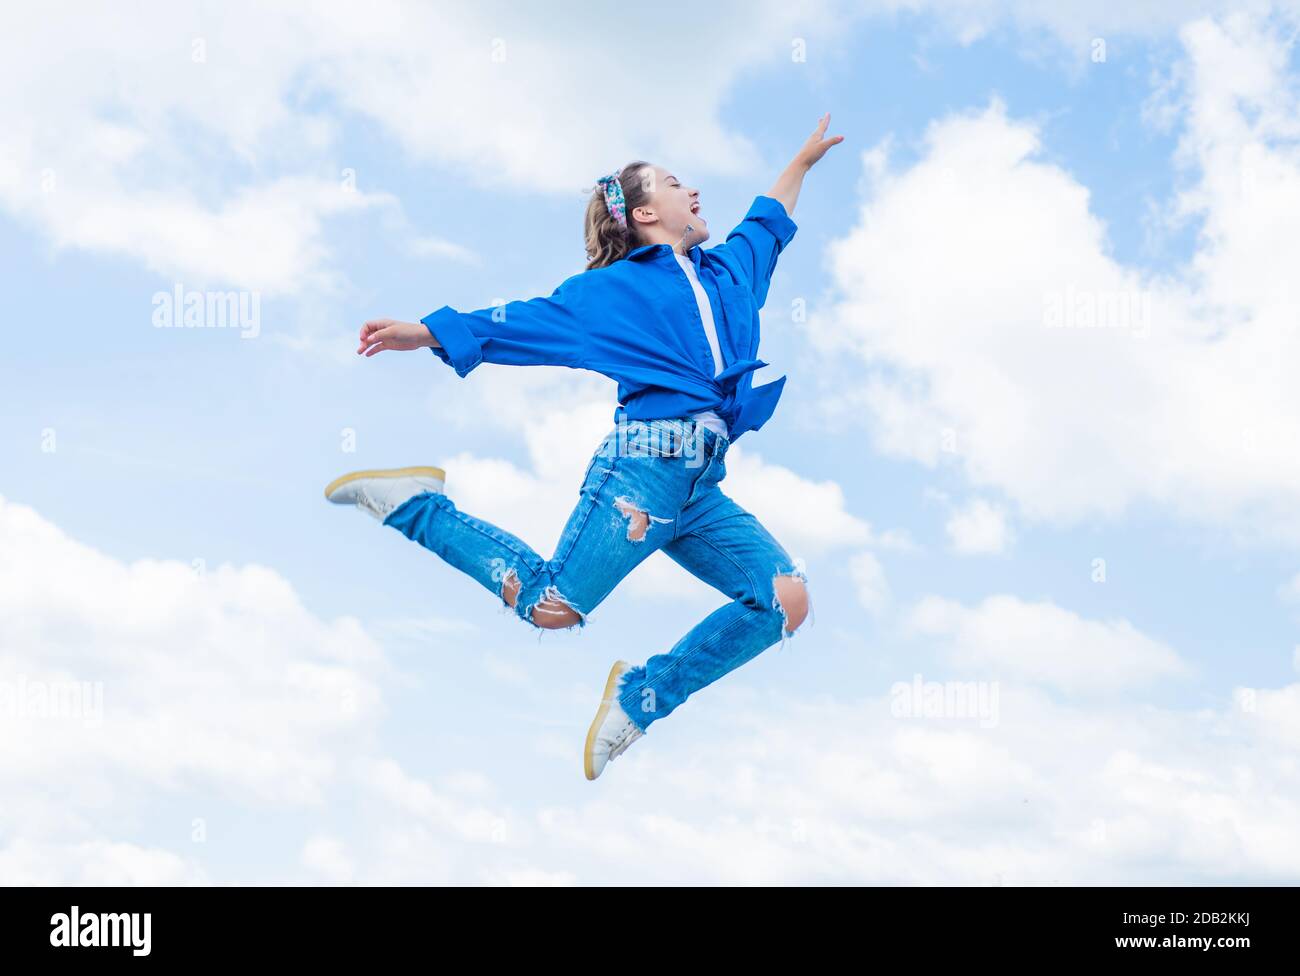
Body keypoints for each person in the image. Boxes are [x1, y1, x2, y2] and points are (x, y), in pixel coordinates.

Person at [325, 114, 844, 780]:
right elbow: (523, 321)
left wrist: (801, 161)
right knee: (551, 608)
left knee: (783, 600)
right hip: (642, 469)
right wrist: (424, 332)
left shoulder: (730, 274)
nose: (698, 194)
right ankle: (415, 506)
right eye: (679, 184)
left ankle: (643, 696)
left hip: (700, 488)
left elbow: (768, 220)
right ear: (646, 211)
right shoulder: (611, 293)